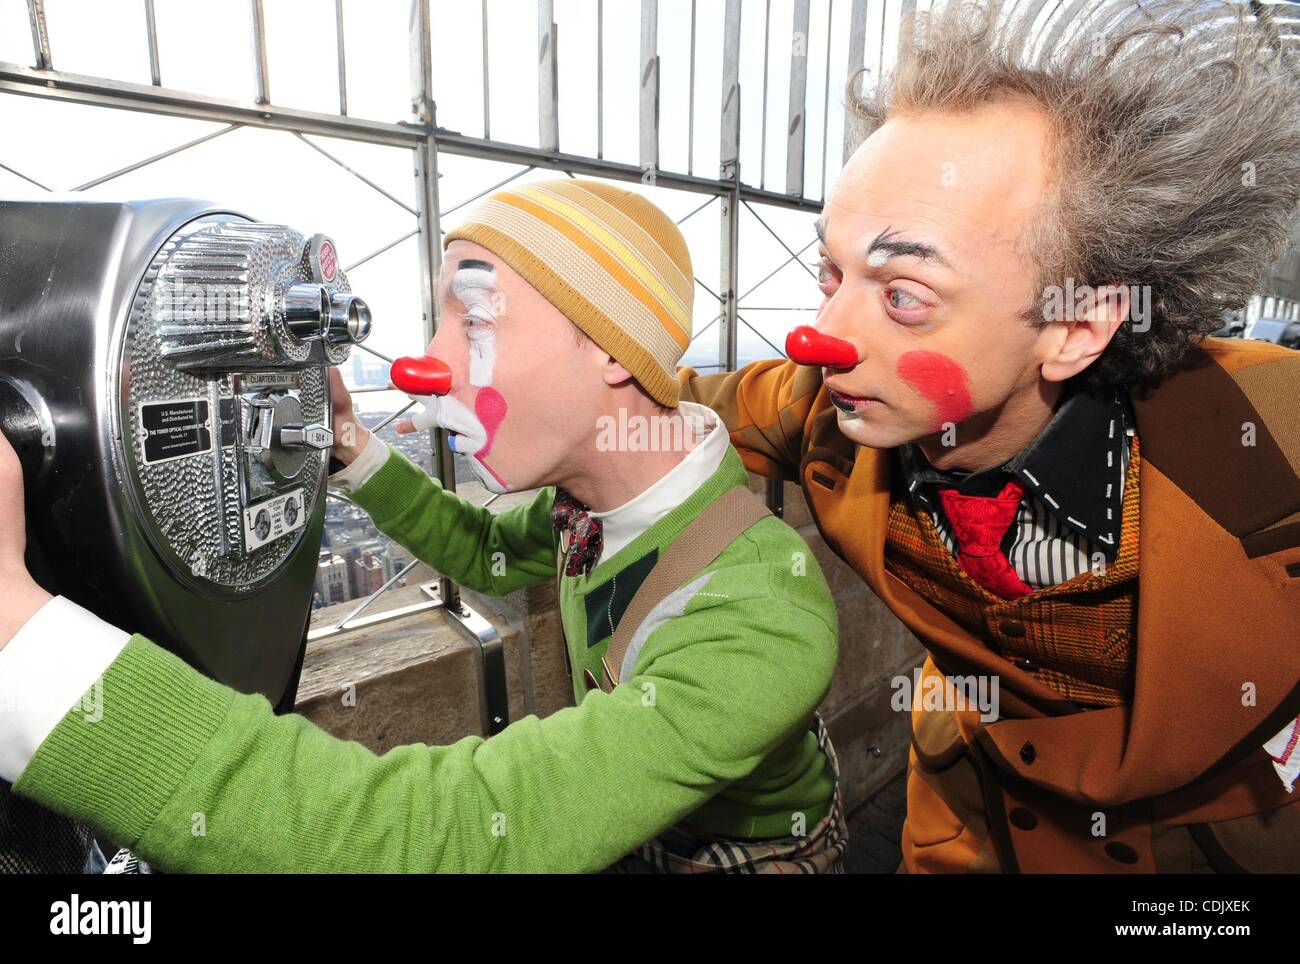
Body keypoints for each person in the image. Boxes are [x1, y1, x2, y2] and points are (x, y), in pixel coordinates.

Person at [0, 179, 843, 873]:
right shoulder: (587, 505)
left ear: (614, 347)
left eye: (472, 319)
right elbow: (480, 547)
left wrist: (20, 641)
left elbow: (455, 827)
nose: (426, 365)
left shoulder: (763, 608)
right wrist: (347, 444)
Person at [679, 0, 1300, 872]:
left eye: (903, 294)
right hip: (977, 823)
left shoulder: (1273, 434)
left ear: (1078, 325)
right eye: (832, 270)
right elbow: (690, 400)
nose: (820, 336)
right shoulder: (824, 412)